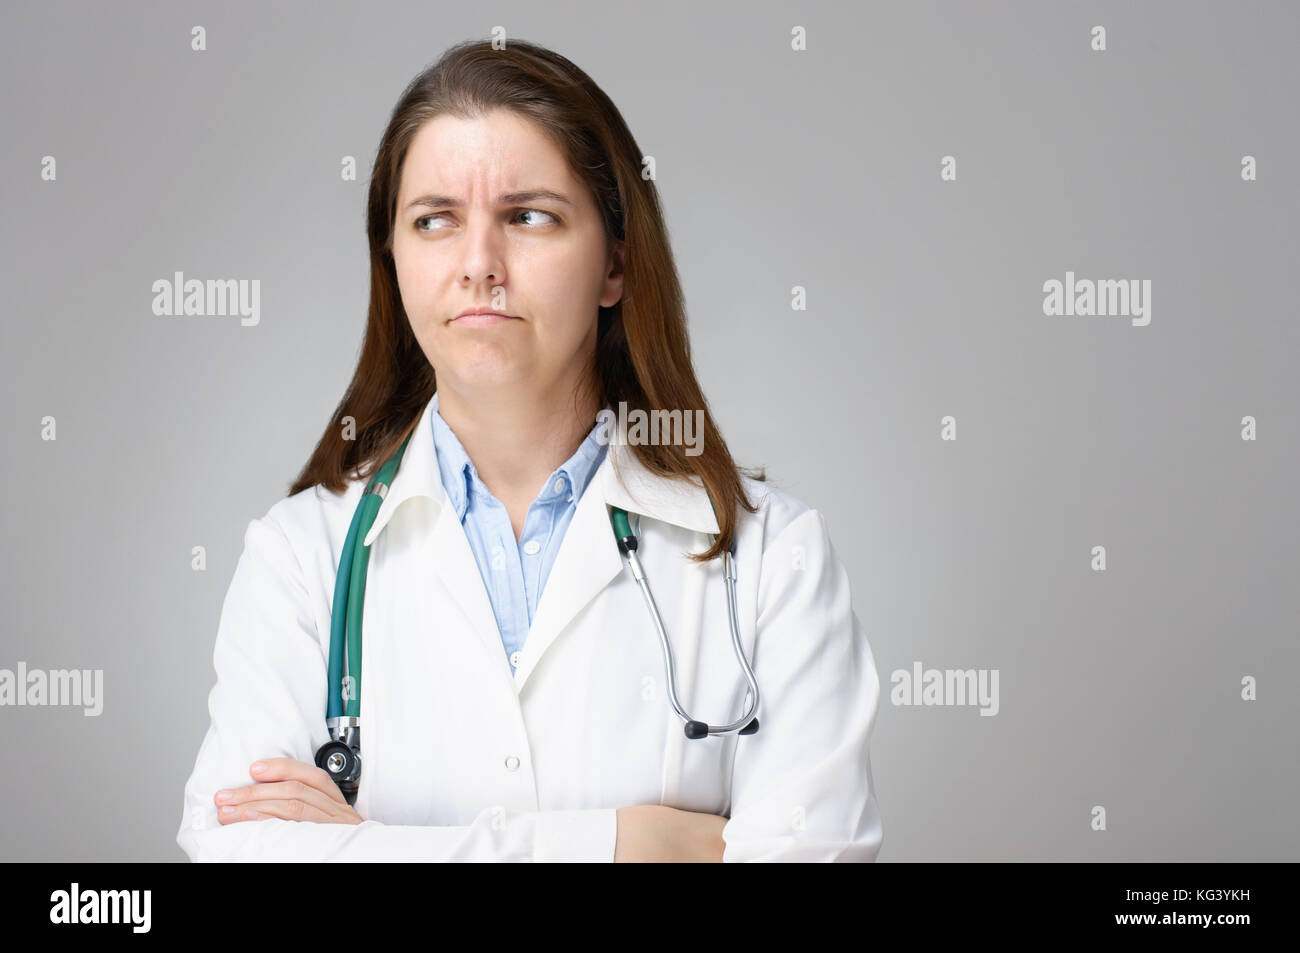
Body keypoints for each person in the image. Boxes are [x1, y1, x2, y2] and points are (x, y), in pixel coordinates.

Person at [176, 38, 883, 862]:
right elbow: (237, 850)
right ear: (393, 257)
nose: (480, 265)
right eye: (434, 220)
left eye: (528, 216)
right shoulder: (300, 557)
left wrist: (365, 845)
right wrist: (634, 846)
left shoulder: (769, 558)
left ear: (616, 262)